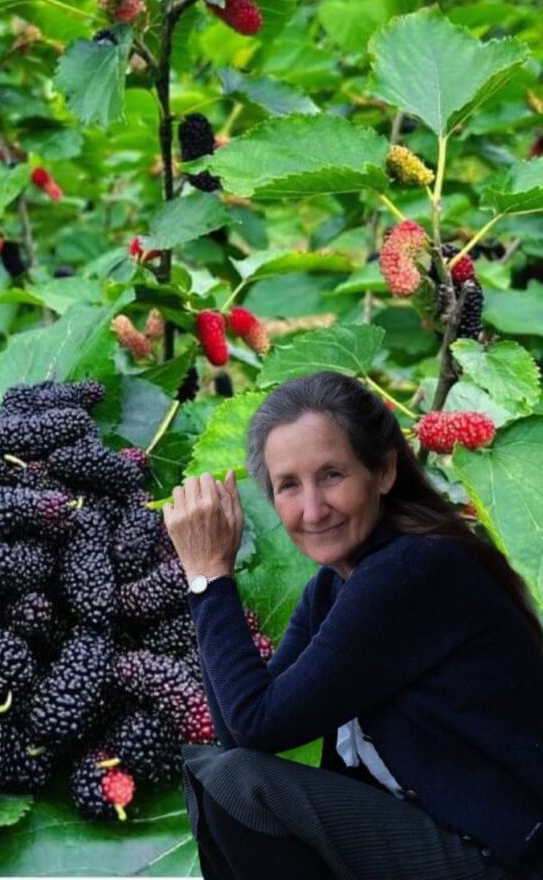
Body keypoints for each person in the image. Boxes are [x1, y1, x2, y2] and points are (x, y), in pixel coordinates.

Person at [162, 371, 543, 880]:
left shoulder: (411, 571)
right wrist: (205, 579)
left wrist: (210, 575)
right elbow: (241, 734)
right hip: (442, 834)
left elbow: (255, 729)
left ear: (383, 471)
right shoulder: (333, 586)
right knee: (226, 777)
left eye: (331, 475)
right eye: (289, 486)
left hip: (506, 856)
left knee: (242, 784)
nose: (313, 510)